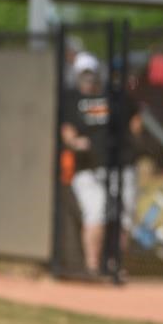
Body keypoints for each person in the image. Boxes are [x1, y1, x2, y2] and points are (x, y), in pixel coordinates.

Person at [60, 52, 143, 276]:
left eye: (91, 75)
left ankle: (116, 266)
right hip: (89, 168)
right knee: (96, 213)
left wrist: (135, 142)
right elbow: (67, 130)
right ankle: (93, 267)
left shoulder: (116, 97)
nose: (88, 80)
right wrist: (75, 142)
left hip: (122, 165)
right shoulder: (71, 100)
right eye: (83, 75)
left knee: (123, 217)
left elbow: (135, 121)